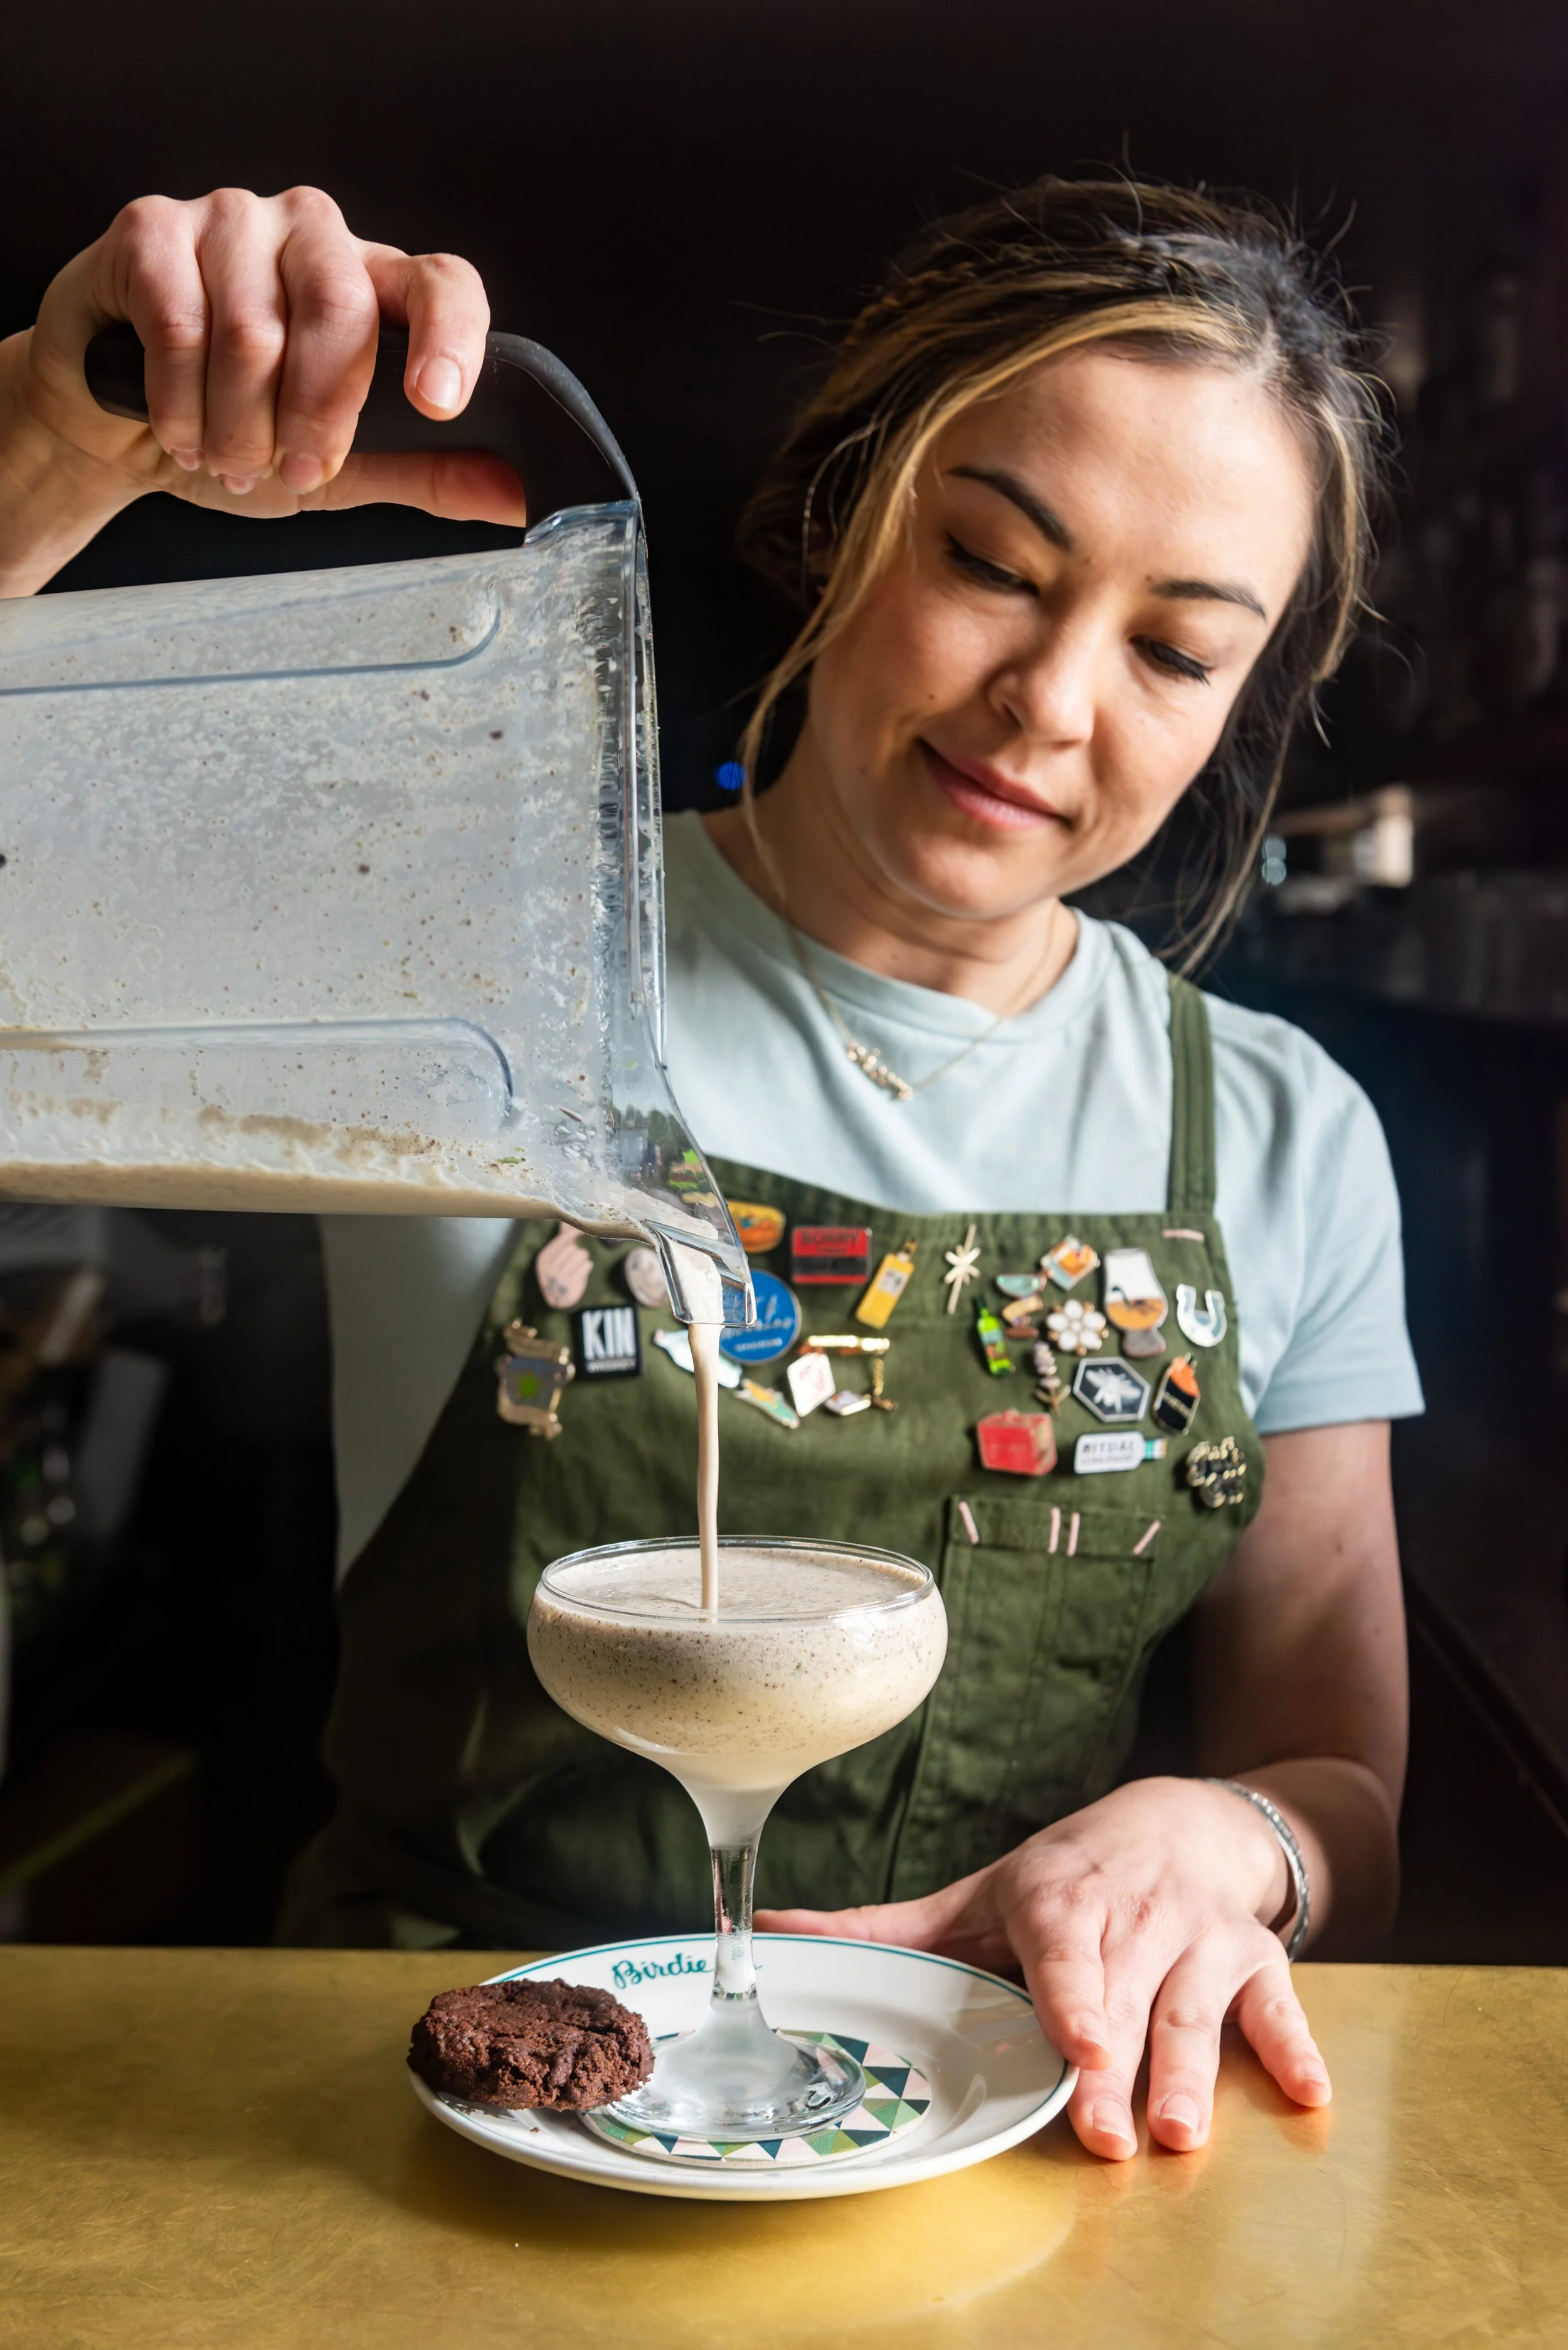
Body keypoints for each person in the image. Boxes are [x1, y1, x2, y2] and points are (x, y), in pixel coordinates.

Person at [0, 179, 1420, 2162]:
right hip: (403, 2110)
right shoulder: (457, 939)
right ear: (845, 510)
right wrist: (52, 448)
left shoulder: (1277, 1129)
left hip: (985, 2121)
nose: (1054, 698)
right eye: (995, 562)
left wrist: (1234, 1836)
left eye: (1176, 653)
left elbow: (1333, 1774)